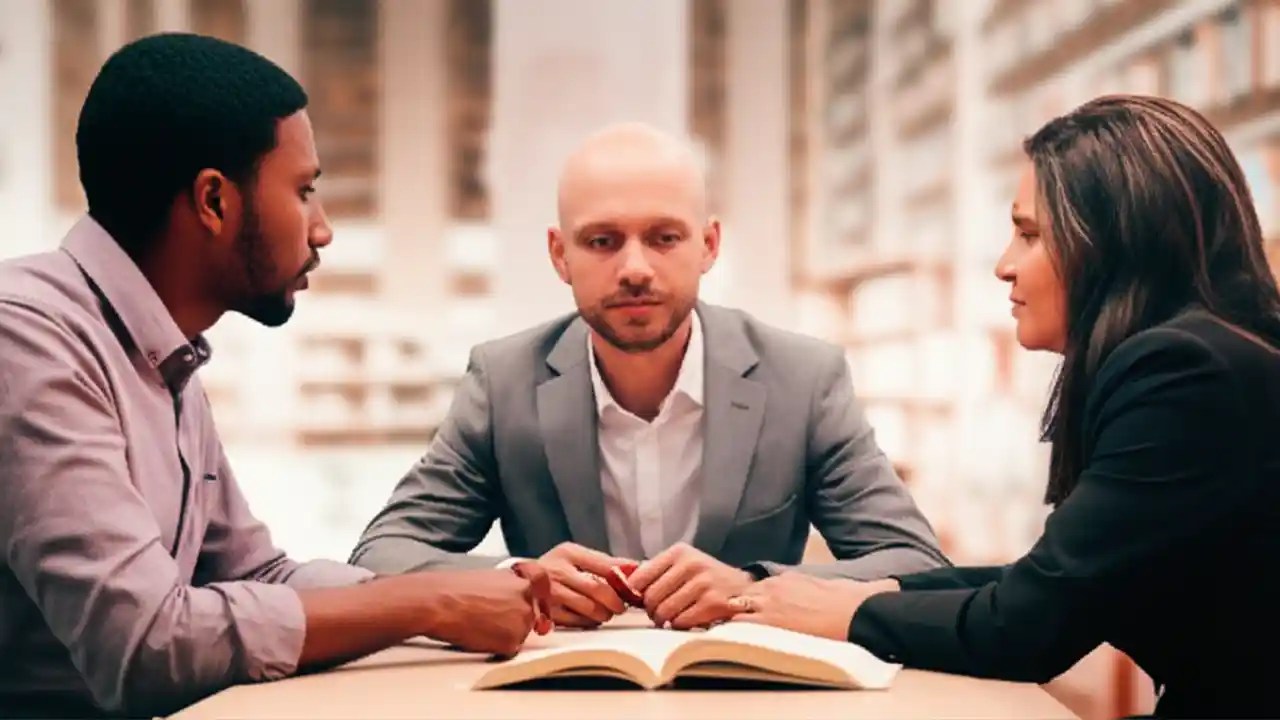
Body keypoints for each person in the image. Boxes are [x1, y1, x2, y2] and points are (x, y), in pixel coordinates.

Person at [0, 33, 550, 719]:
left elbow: (259, 575)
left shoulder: (160, 349)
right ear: (213, 200)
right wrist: (429, 602)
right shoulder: (25, 338)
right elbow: (144, 644)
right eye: (304, 191)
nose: (322, 230)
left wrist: (506, 584)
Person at [724, 94, 1280, 718]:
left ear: (1114, 240)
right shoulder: (1216, 355)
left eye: (1029, 234)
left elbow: (1026, 627)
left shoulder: (1186, 372)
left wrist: (851, 611)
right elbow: (1046, 581)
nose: (1003, 266)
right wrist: (842, 590)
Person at [349, 122, 949, 632]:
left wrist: (750, 589)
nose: (635, 269)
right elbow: (380, 558)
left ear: (709, 245)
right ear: (561, 255)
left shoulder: (802, 379)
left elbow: (917, 564)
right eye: (603, 241)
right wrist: (518, 581)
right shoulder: (504, 383)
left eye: (664, 238)